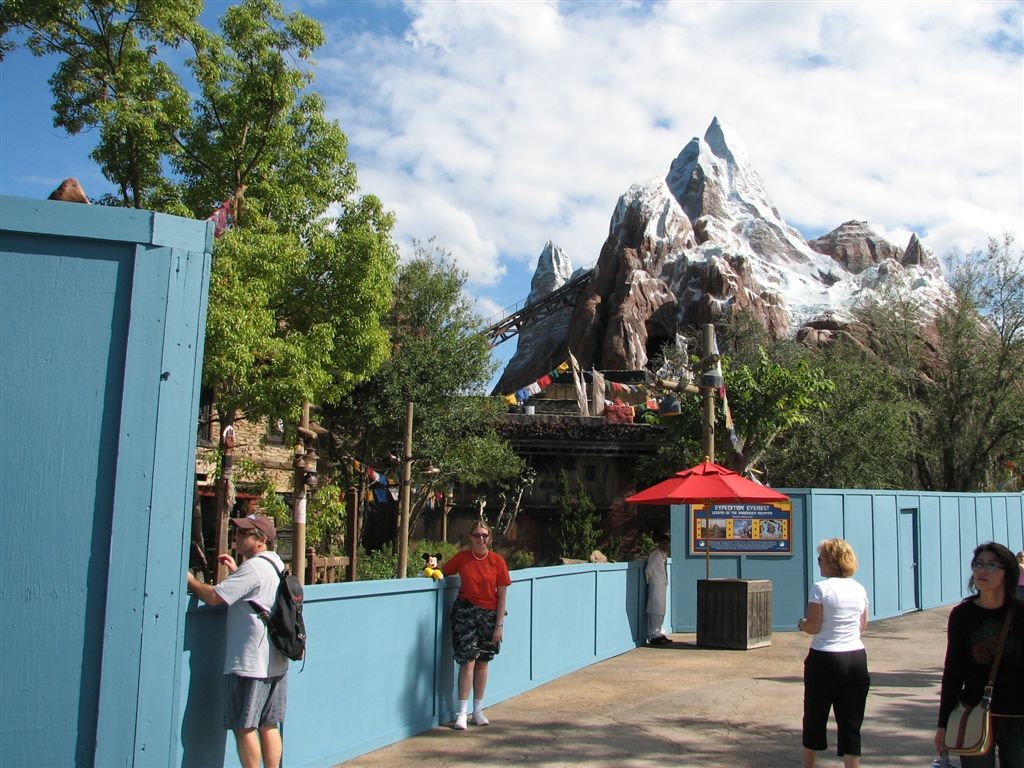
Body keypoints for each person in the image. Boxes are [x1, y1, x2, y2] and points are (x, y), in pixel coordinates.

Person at [186, 514, 289, 768]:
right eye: (238, 532)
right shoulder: (275, 563)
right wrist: (236, 573)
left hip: (249, 662)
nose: (237, 537)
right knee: (268, 724)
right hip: (276, 660)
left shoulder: (252, 568)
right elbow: (258, 592)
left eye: (244, 533)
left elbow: (213, 597)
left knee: (244, 726)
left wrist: (189, 580)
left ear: (261, 539)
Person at [934, 542, 1024, 768]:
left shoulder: (1021, 614)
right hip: (973, 713)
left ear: (1007, 573)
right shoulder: (962, 614)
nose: (982, 571)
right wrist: (943, 723)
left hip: (1018, 717)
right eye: (979, 564)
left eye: (992, 565)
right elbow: (954, 670)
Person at [798, 538, 870, 768]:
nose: (818, 563)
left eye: (820, 559)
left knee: (815, 715)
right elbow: (862, 625)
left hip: (825, 658)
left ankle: (809, 764)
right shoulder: (859, 588)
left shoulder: (820, 588)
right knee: (851, 720)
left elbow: (814, 626)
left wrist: (802, 624)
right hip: (856, 657)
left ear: (831, 562)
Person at [442, 520, 511, 730]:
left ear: (489, 538)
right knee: (467, 661)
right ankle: (461, 712)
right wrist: (430, 570)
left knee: (483, 662)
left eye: (484, 535)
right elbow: (444, 571)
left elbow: (502, 596)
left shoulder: (497, 561)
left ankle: (478, 710)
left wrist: (499, 625)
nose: (481, 539)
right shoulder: (462, 558)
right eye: (477, 535)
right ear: (471, 537)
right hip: (466, 613)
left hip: (489, 616)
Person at [645, 533, 672, 646]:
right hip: (656, 585)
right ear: (660, 543)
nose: (666, 545)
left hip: (661, 585)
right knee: (655, 609)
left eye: (667, 543)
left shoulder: (663, 555)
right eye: (664, 543)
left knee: (661, 609)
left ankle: (659, 632)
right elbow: (649, 569)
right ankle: (653, 634)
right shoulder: (656, 554)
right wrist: (650, 581)